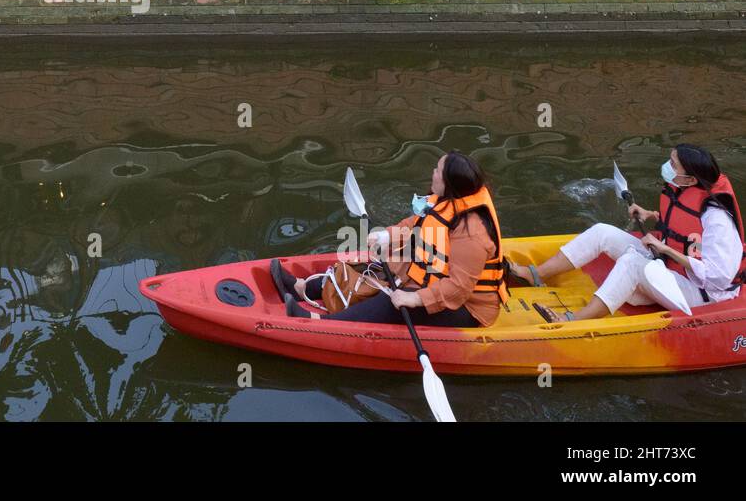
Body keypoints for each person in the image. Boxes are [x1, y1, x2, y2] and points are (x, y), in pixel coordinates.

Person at [508, 145, 745, 321]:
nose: (667, 166)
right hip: (670, 267)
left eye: (673, 164)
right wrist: (650, 215)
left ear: (692, 178)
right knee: (603, 232)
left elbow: (718, 277)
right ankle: (536, 275)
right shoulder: (686, 188)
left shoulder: (718, 219)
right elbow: (688, 231)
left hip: (702, 294)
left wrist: (665, 249)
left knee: (631, 263)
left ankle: (576, 319)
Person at [275, 152, 508, 327]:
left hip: (468, 308)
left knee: (395, 303)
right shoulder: (444, 201)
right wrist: (387, 236)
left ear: (449, 183)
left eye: (437, 170)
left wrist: (415, 298)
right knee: (377, 265)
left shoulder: (473, 234)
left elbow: (458, 289)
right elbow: (413, 225)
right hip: (435, 277)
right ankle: (302, 287)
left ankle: (322, 322)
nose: (433, 173)